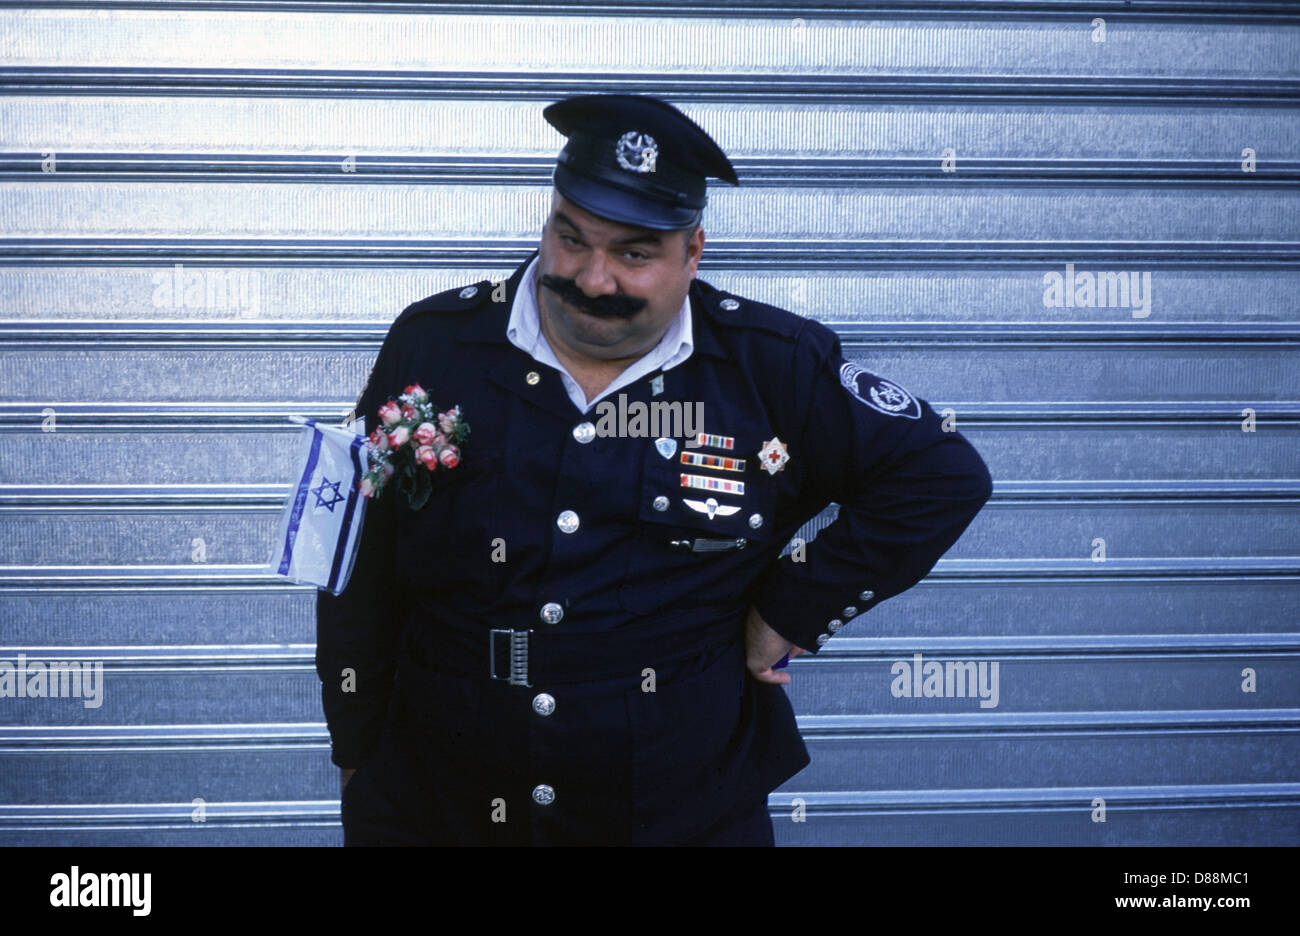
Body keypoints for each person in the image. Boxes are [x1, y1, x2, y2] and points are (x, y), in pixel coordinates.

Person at [316, 94, 994, 846]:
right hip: (441, 803)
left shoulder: (768, 369)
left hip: (678, 812)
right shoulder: (435, 344)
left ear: (693, 252)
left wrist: (791, 609)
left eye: (634, 254)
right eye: (570, 239)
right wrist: (357, 751)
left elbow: (940, 474)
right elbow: (356, 566)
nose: (593, 278)